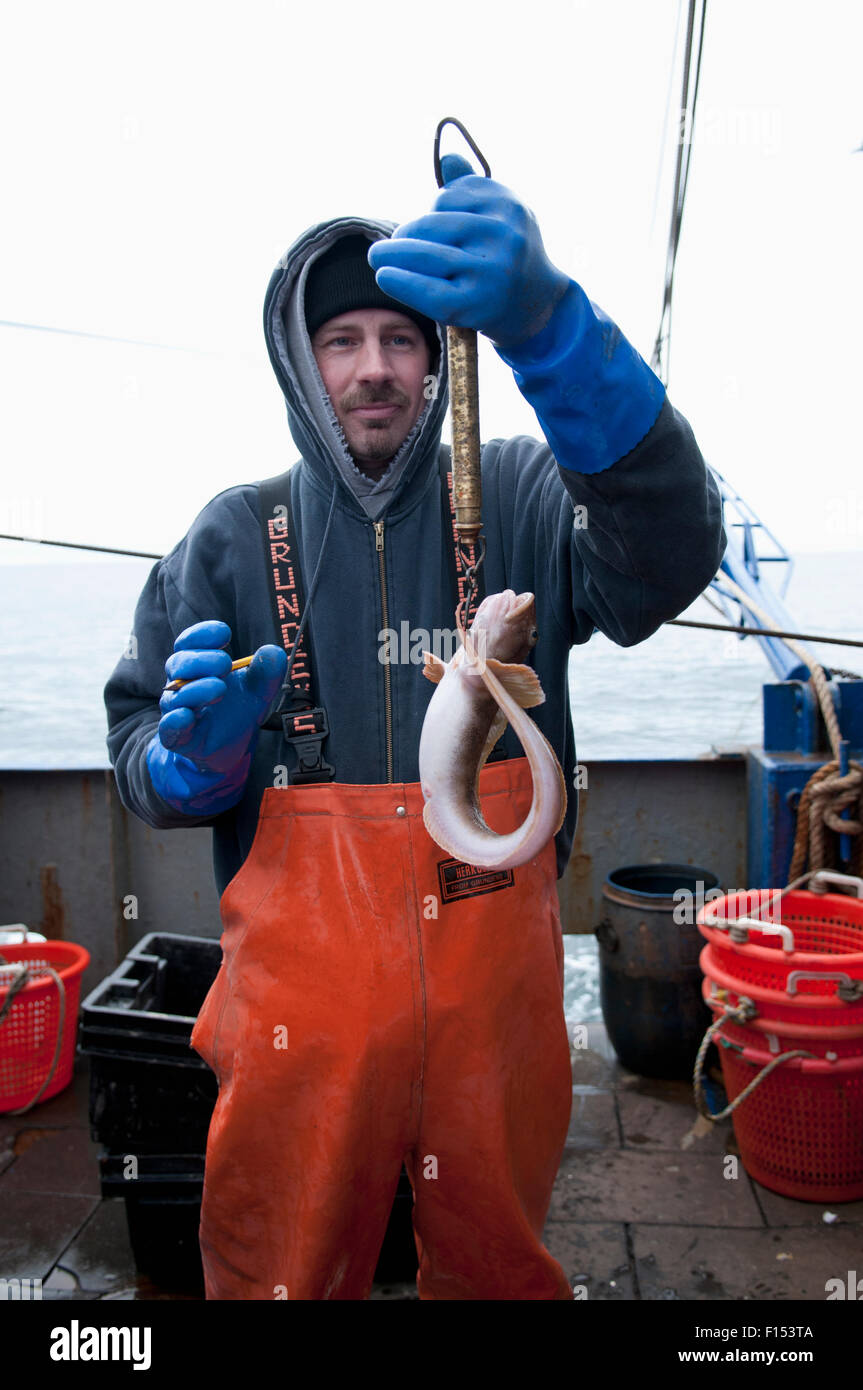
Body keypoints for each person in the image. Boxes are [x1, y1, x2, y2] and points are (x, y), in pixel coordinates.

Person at [105, 153, 726, 1300]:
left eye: (402, 338)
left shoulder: (529, 491)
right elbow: (137, 750)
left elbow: (674, 549)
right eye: (342, 340)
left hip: (494, 1007)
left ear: (440, 359)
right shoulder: (230, 538)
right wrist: (193, 761)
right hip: (299, 1029)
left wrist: (552, 329)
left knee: (496, 1266)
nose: (375, 369)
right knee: (278, 1268)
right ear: (301, 360)